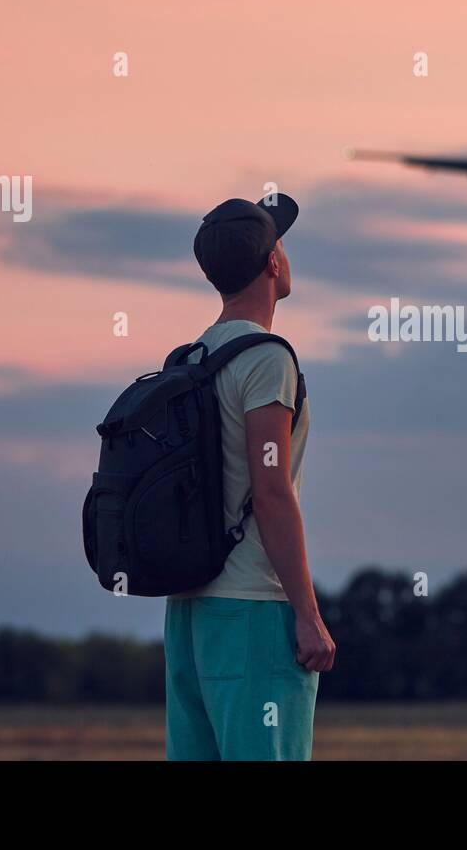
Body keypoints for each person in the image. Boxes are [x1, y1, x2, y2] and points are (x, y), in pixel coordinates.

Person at [164, 193, 335, 761]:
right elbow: (271, 489)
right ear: (272, 263)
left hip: (189, 610)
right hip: (253, 610)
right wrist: (307, 615)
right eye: (279, 242)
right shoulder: (266, 360)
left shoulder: (191, 359)